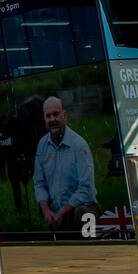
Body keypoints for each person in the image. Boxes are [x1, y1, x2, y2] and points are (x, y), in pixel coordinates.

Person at [33, 96, 99, 232]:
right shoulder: (42, 145)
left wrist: (62, 213)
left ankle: (91, 250)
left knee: (82, 213)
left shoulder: (79, 146)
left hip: (83, 209)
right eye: (48, 116)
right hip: (55, 213)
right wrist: (46, 211)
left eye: (56, 114)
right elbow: (39, 183)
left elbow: (85, 189)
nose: (52, 120)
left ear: (65, 116)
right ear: (44, 119)